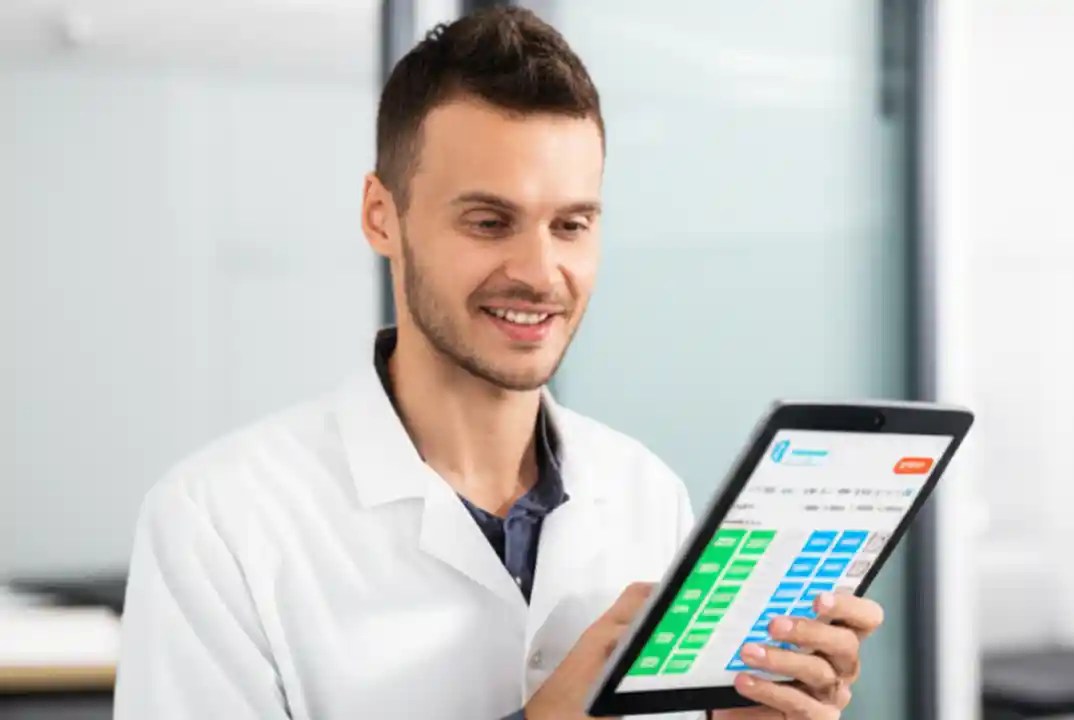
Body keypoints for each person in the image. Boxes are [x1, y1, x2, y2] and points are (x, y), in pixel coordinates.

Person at [114, 7, 883, 719]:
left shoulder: (647, 495)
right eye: (489, 221)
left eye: (572, 224)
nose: (540, 272)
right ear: (382, 216)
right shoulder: (218, 524)